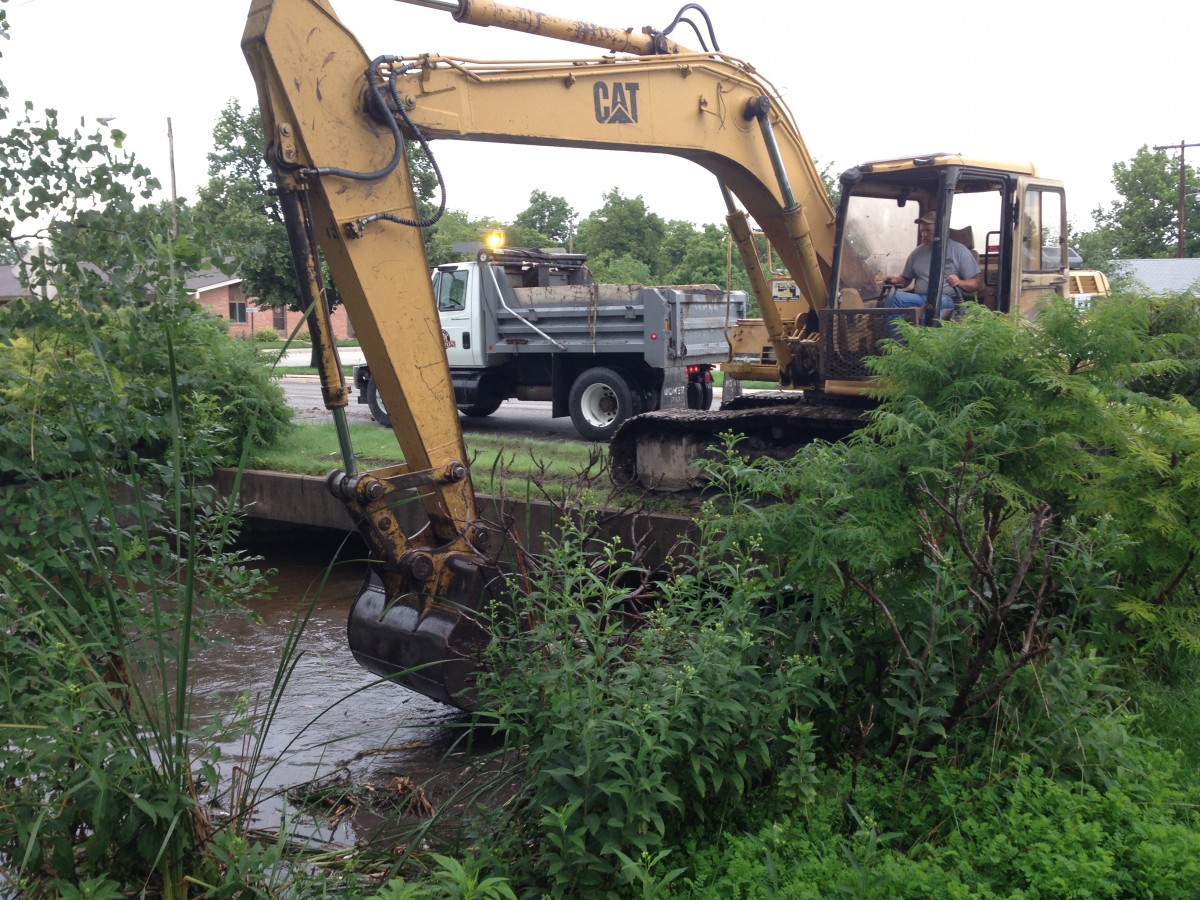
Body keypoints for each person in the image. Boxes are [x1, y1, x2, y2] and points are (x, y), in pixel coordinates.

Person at [882, 210, 981, 315]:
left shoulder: (960, 251)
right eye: (922, 231)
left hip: (946, 299)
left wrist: (959, 282)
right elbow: (906, 279)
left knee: (931, 306)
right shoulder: (917, 252)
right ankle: (892, 332)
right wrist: (896, 279)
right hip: (920, 297)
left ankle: (922, 330)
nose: (924, 234)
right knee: (893, 297)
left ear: (941, 230)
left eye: (928, 231)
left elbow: (975, 283)